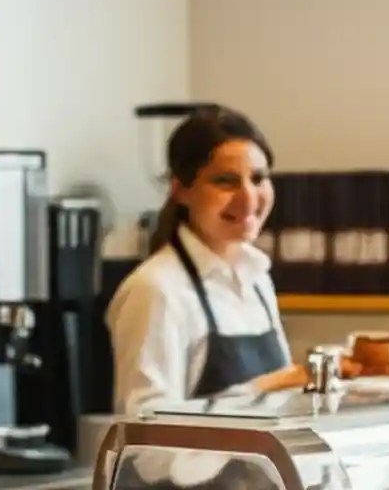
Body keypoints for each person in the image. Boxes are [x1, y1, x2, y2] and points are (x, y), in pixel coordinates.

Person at [106, 105, 305, 416]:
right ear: (180, 191)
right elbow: (146, 426)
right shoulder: (156, 289)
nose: (248, 198)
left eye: (258, 178)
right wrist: (263, 388)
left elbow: (280, 400)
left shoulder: (257, 278)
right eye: (226, 181)